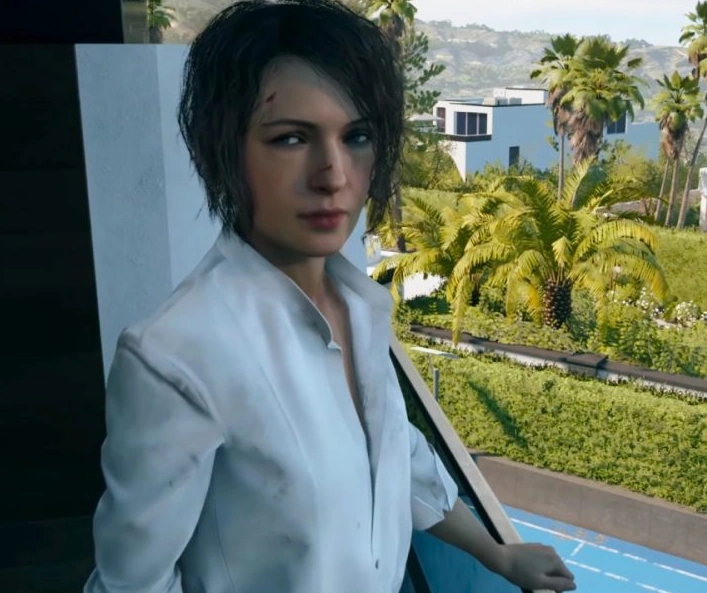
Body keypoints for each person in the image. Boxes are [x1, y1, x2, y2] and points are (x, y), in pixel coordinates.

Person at [84, 1, 577, 592]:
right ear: (225, 150)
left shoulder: (360, 307)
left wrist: (499, 555)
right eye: (291, 138)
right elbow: (131, 584)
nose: (334, 174)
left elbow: (399, 458)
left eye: (357, 136)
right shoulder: (175, 357)